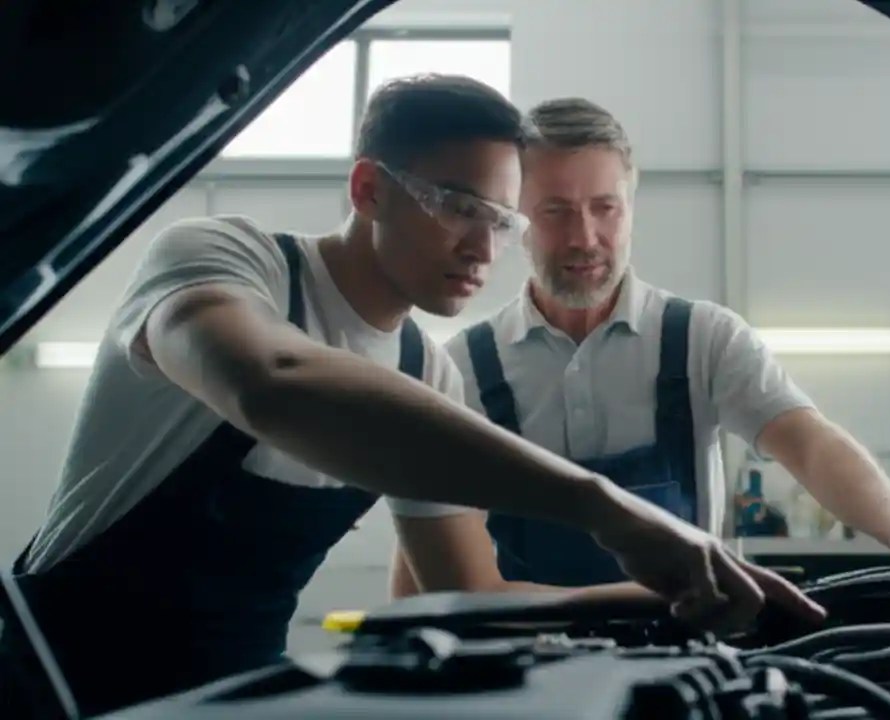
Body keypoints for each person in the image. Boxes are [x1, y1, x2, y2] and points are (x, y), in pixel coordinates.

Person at [1, 76, 823, 717]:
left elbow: (471, 591)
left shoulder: (428, 370)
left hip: (236, 695)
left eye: (501, 222)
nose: (482, 247)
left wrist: (690, 583)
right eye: (458, 207)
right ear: (368, 189)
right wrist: (605, 506)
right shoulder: (225, 259)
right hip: (53, 682)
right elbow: (274, 386)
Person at [389, 97, 890, 598]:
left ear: (632, 205)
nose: (585, 236)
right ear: (517, 218)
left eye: (605, 207)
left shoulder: (701, 339)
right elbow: (427, 554)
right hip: (520, 676)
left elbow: (807, 440)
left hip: (687, 657)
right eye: (555, 211)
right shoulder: (464, 368)